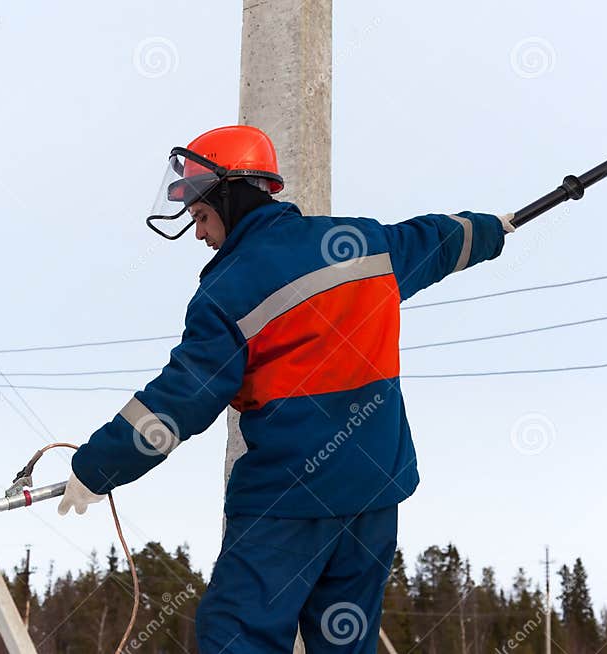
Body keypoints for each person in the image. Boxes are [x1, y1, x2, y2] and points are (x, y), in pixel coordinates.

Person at [57, 125, 514, 653]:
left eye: (202, 217)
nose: (201, 235)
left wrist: (98, 468)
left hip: (288, 498)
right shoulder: (364, 244)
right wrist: (493, 231)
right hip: (374, 493)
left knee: (237, 636)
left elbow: (181, 400)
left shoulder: (228, 292)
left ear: (230, 197)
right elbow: (437, 240)